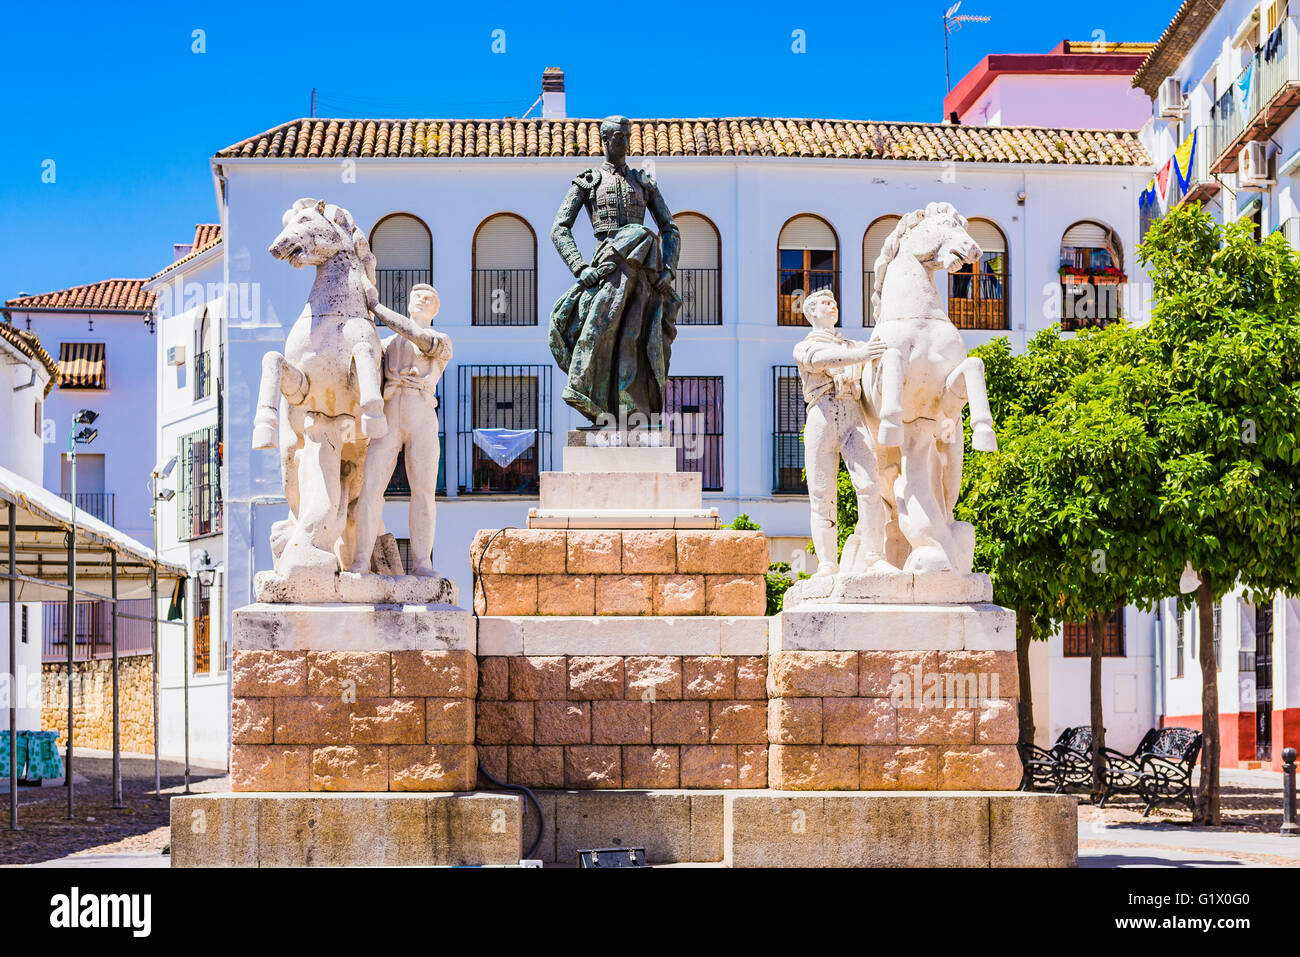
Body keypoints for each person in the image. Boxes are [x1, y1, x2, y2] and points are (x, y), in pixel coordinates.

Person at [550, 115, 681, 424]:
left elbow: (670, 229)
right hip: (607, 266)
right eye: (618, 137)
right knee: (599, 329)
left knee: (635, 336)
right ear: (605, 141)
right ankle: (592, 397)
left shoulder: (644, 183)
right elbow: (559, 228)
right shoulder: (588, 181)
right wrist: (580, 267)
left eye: (627, 136)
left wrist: (668, 271)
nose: (624, 141)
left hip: (643, 269)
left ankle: (631, 407)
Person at [349, 283, 451, 576]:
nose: (421, 299)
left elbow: (417, 336)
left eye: (429, 298)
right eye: (416, 296)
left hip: (421, 418)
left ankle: (422, 562)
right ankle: (360, 560)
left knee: (424, 492)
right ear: (407, 303)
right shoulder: (387, 344)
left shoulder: (439, 340)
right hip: (390, 415)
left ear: (436, 308)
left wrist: (376, 307)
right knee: (370, 489)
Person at [792, 290, 892, 577]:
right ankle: (827, 564)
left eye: (833, 301)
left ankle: (874, 556)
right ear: (811, 312)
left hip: (852, 412)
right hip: (821, 415)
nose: (832, 304)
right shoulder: (804, 346)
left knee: (870, 485)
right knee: (822, 495)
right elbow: (821, 360)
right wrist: (860, 355)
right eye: (824, 302)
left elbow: (877, 353)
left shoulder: (853, 345)